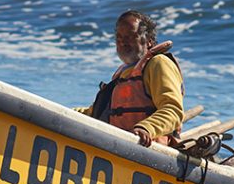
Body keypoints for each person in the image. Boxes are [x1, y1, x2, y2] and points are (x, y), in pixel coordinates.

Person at [78, 10, 184, 146]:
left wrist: (146, 128)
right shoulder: (122, 73)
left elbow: (173, 110)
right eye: (119, 38)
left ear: (149, 41)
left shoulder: (158, 64)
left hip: (149, 147)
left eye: (130, 37)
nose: (123, 42)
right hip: (118, 144)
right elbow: (95, 112)